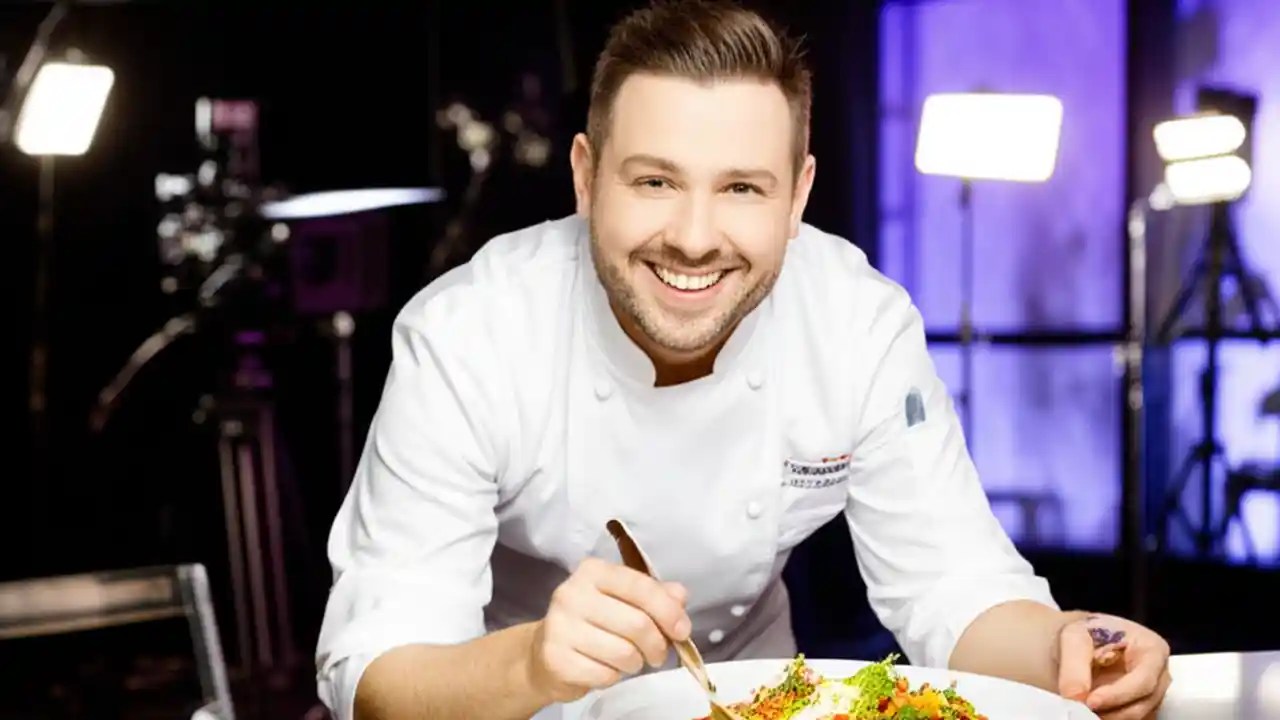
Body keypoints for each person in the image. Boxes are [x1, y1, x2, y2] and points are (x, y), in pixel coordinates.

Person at [315, 1, 1172, 719]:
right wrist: (536, 664)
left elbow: (955, 587)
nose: (693, 238)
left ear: (797, 194)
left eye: (742, 188)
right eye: (654, 181)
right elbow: (377, 673)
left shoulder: (857, 323)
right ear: (586, 178)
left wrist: (1067, 646)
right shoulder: (471, 332)